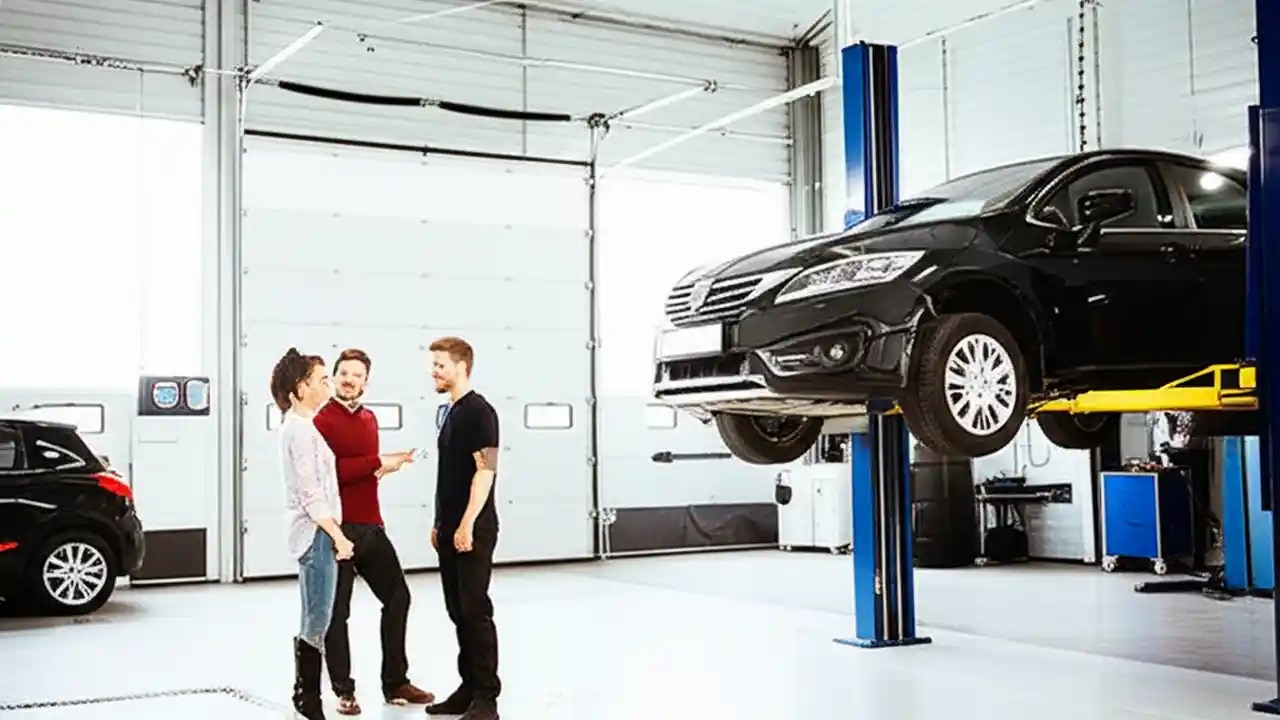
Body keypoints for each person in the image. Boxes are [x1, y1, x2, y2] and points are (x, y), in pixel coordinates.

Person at [312, 348, 436, 715]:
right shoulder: (322, 421)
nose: (350, 379)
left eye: (357, 374)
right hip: (337, 530)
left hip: (371, 526)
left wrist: (385, 467)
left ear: (366, 382)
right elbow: (329, 473)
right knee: (338, 613)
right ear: (334, 377)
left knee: (398, 598)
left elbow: (362, 469)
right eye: (344, 373)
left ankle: (395, 683)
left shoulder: (369, 419)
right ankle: (343, 691)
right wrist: (377, 462)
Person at [270, 347, 354, 720]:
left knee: (313, 617)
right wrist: (338, 536)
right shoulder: (300, 431)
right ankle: (310, 701)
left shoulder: (303, 426)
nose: (329, 383)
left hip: (314, 533)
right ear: (299, 389)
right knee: (318, 620)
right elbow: (310, 493)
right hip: (317, 535)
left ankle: (304, 696)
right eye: (321, 379)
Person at [424, 336, 502, 720]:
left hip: (474, 529)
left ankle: (487, 698)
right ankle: (468, 687)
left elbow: (484, 472)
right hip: (450, 530)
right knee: (457, 610)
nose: (433, 371)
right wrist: (440, 522)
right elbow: (448, 477)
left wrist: (468, 522)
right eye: (432, 364)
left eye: (440, 364)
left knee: (474, 610)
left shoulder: (480, 413)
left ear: (462, 366)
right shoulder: (451, 412)